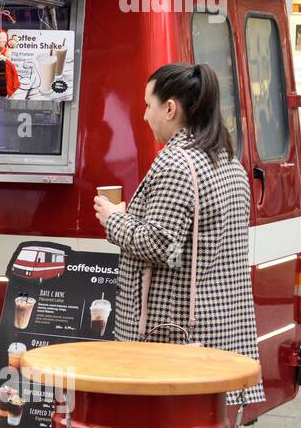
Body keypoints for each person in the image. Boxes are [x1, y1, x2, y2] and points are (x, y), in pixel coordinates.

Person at [94, 62, 265, 406]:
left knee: (161, 425)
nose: (145, 116)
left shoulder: (176, 163)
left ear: (170, 108)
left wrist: (113, 218)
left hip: (169, 331)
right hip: (217, 320)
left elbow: (159, 245)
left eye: (148, 105)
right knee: (200, 426)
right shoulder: (228, 159)